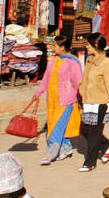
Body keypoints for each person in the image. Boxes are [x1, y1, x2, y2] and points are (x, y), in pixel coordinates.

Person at [33, 33, 82, 165]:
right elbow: (46, 78)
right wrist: (39, 92)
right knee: (56, 124)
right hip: (52, 99)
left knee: (56, 127)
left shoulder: (73, 62)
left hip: (67, 100)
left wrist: (82, 97)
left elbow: (78, 82)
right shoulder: (53, 60)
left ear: (62, 48)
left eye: (55, 45)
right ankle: (66, 149)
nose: (53, 47)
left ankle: (51, 152)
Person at [78, 33, 109, 172]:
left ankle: (90, 163)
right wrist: (81, 96)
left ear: (95, 46)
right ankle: (107, 144)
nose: (86, 47)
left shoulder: (107, 64)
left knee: (94, 135)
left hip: (101, 103)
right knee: (84, 130)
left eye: (88, 45)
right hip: (88, 102)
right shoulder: (89, 60)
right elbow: (84, 80)